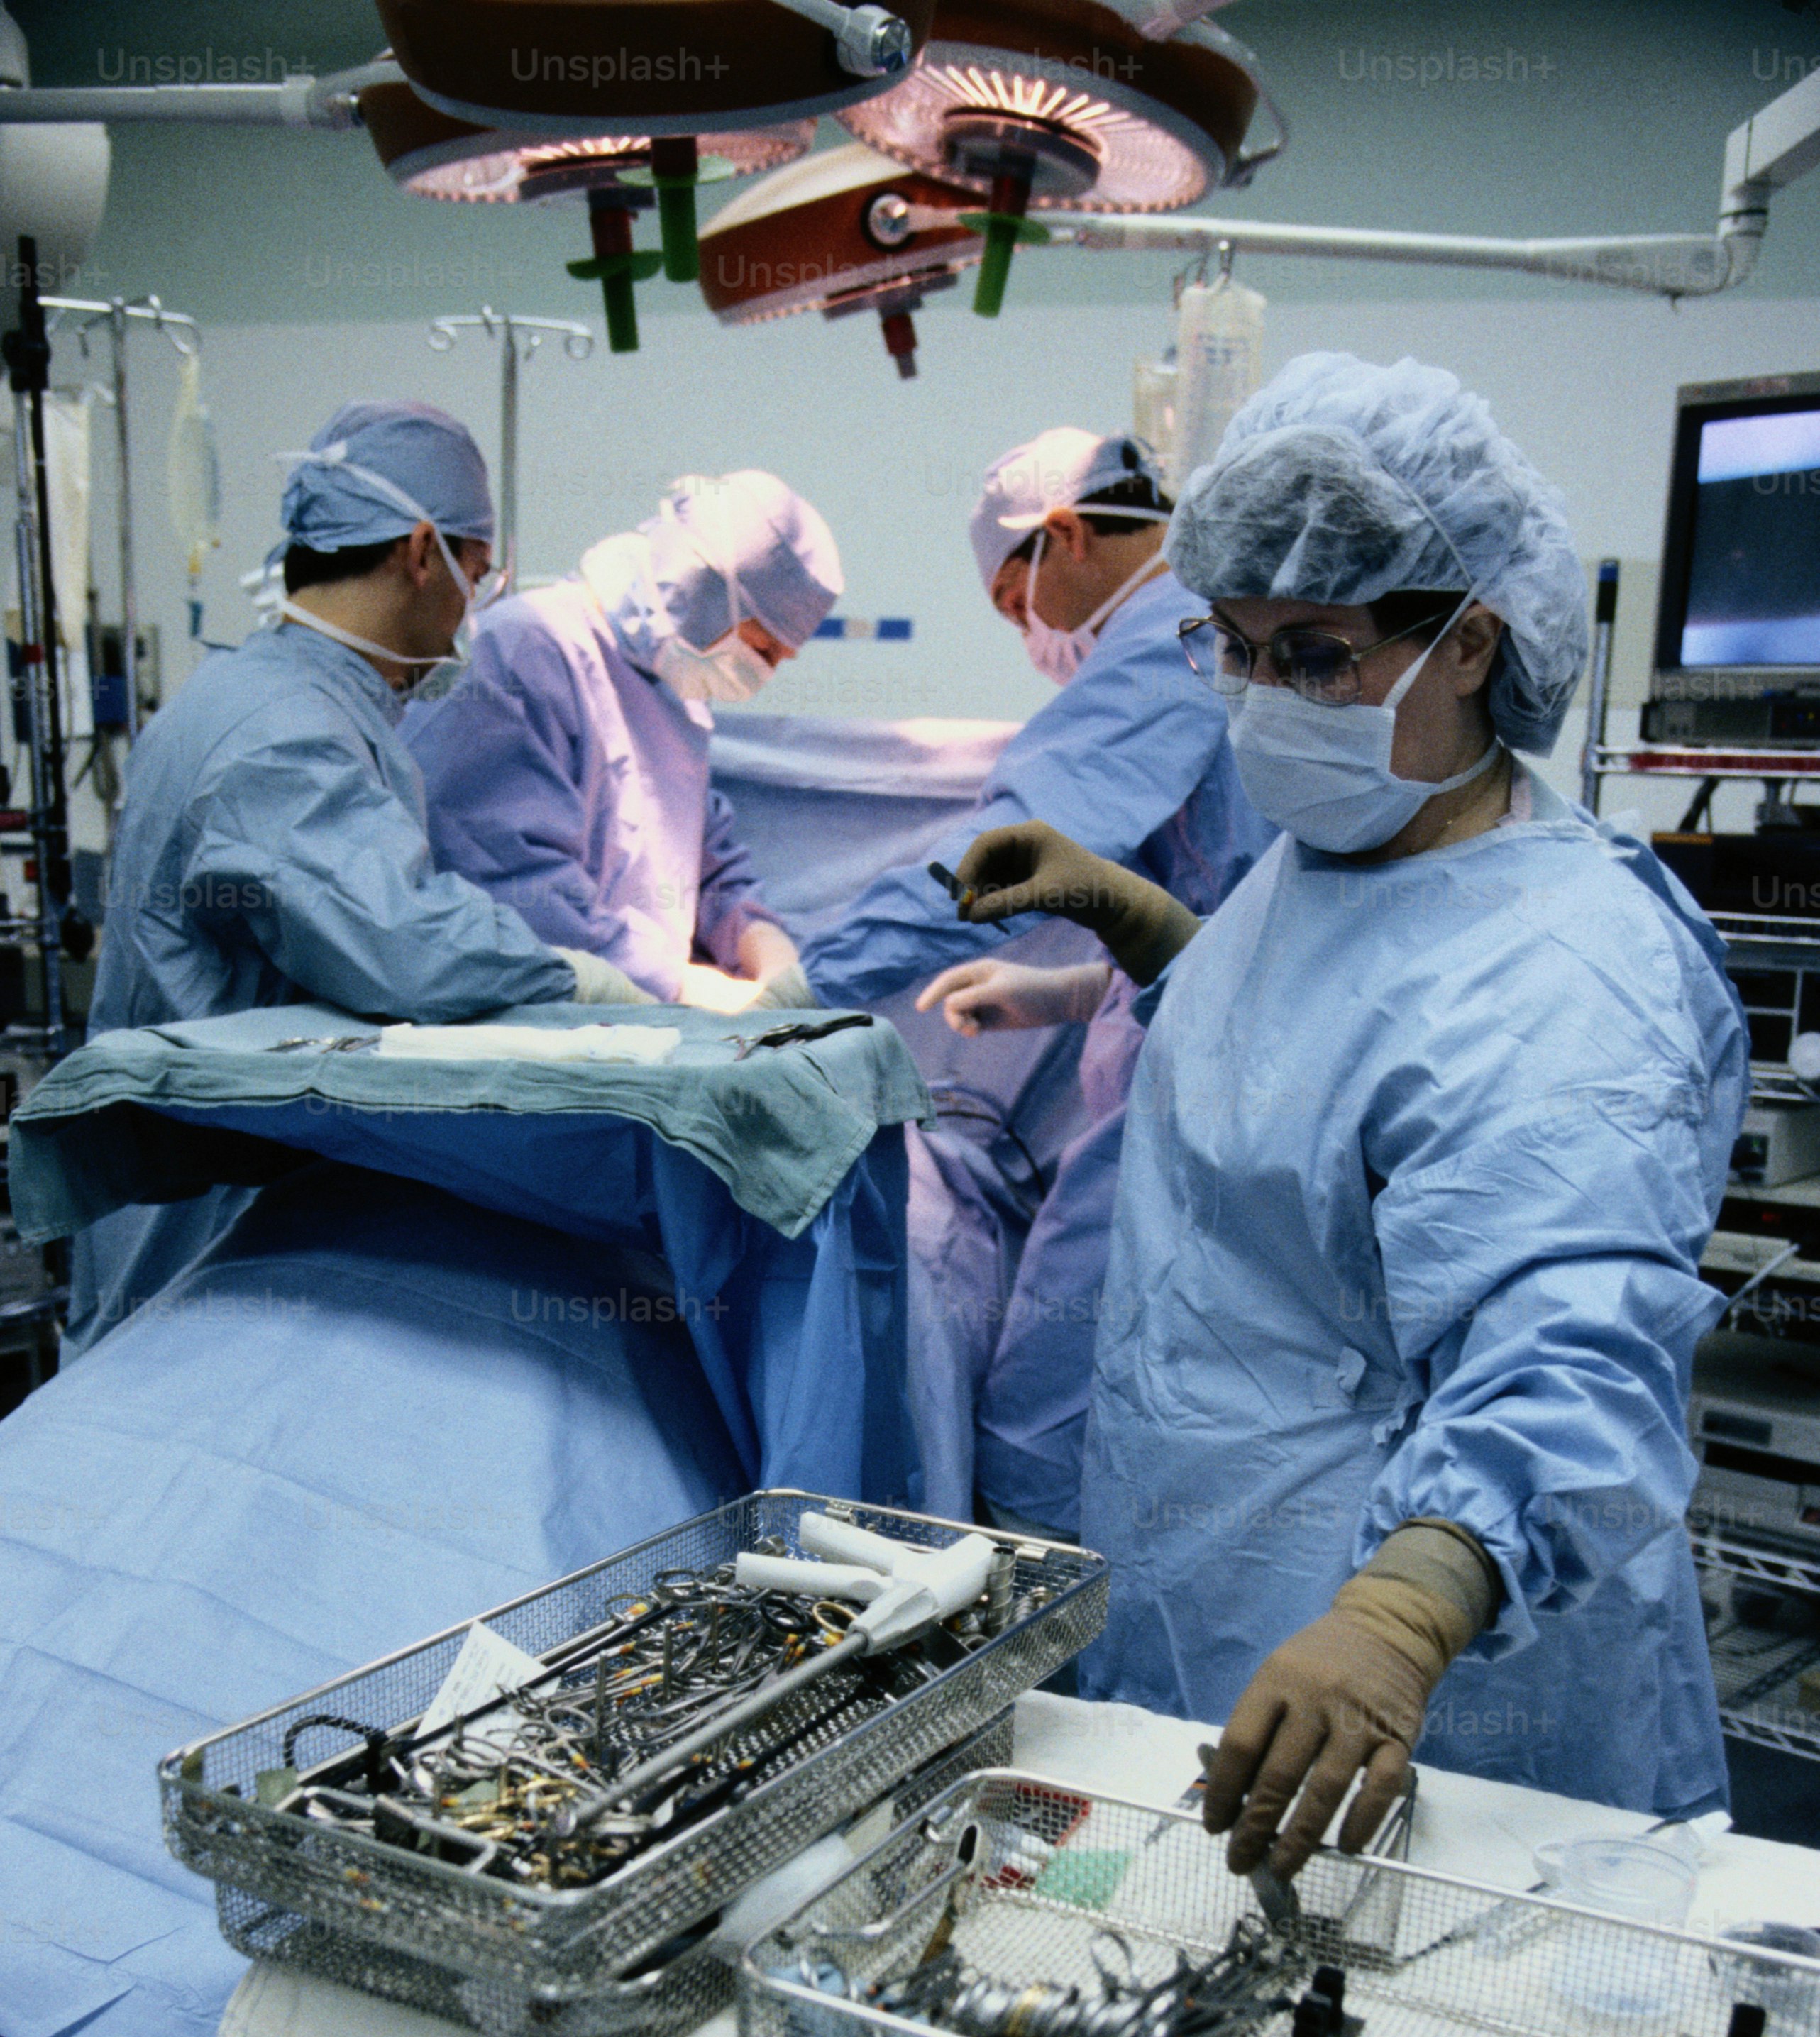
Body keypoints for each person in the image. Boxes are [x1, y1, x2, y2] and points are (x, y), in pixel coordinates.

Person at [949, 353, 1748, 1868]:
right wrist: (1136, 923)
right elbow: (1312, 1105)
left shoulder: (1567, 969)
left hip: (1423, 1680)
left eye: (1312, 654)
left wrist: (1396, 1615)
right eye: (1231, 648)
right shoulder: (1338, 855)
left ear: (1466, 643)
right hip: (1219, 1577)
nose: (1261, 700)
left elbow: (1571, 1344)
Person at [72, 400, 639, 1352]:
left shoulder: (278, 694)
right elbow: (401, 943)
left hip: (237, 1202)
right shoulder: (278, 731)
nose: (474, 605)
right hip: (208, 1231)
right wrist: (573, 976)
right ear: (424, 553)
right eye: (477, 571)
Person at [801, 429, 1272, 1537]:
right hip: (1220, 1061)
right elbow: (1218, 909)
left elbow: (1006, 848)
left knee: (1031, 1439)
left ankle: (1047, 1677)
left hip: (1199, 1101)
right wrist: (1064, 994)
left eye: (1018, 604)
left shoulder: (1167, 637)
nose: (1030, 637)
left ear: (1060, 537)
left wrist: (802, 987)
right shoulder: (1211, 632)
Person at [401, 472, 842, 1011]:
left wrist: (768, 953)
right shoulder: (524, 651)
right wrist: (684, 985)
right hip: (535, 1019)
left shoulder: (673, 686)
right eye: (764, 650)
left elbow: (706, 865)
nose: (764, 673)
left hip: (631, 1025)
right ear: (702, 592)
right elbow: (510, 883)